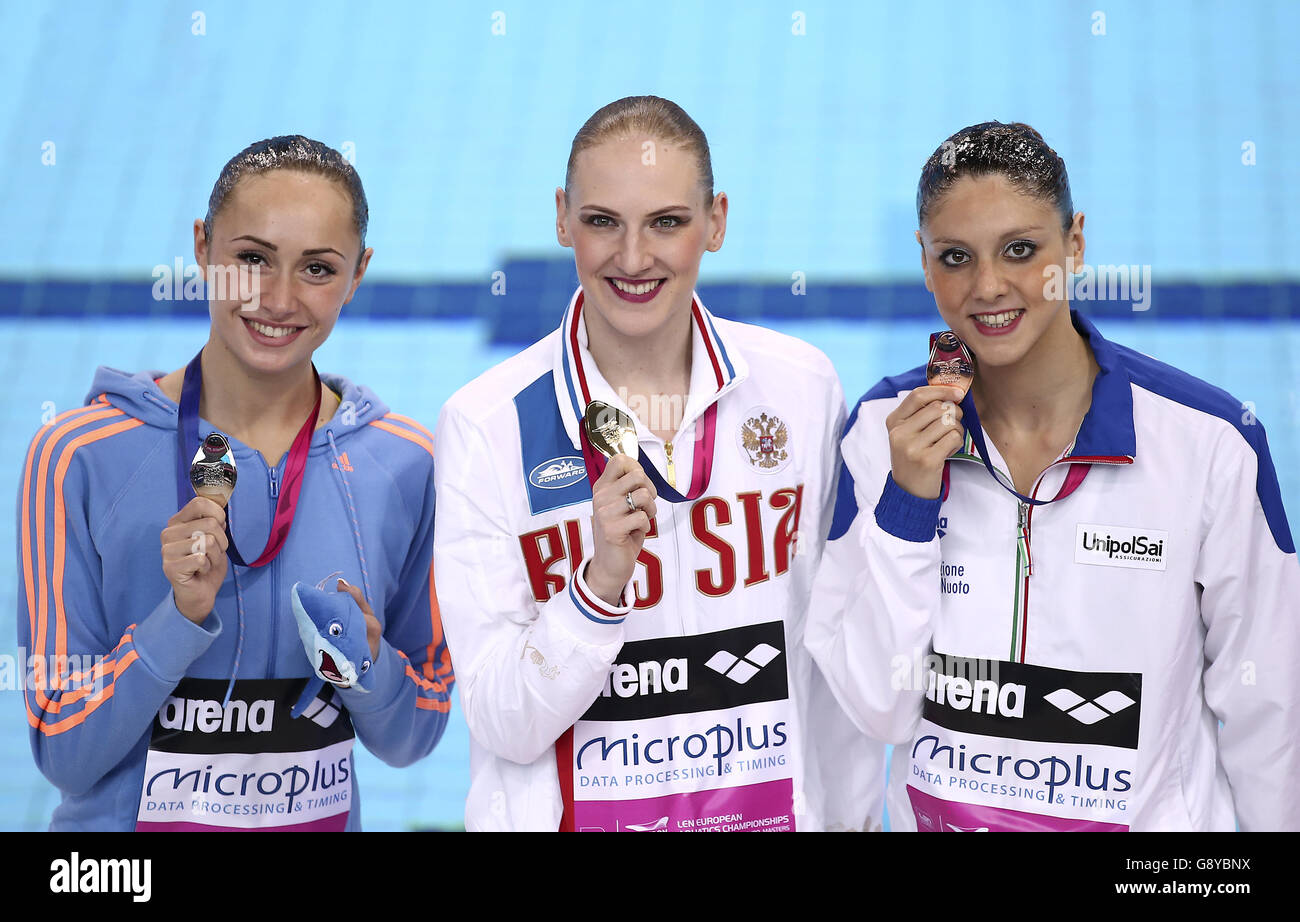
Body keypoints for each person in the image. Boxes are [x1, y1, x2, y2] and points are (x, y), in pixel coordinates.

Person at [806, 121, 1300, 832]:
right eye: (955, 256)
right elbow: (878, 706)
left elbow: (1271, 714)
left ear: (1074, 244)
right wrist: (908, 505)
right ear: (923, 260)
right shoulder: (879, 433)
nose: (988, 287)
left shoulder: (1210, 445)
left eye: (1020, 250)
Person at [433, 96, 884, 832]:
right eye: (602, 221)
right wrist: (598, 585)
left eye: (667, 222)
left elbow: (830, 668)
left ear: (716, 222)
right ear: (561, 218)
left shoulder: (801, 388)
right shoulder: (486, 425)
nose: (634, 258)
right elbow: (500, 720)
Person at [17, 135, 454, 830]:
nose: (278, 301)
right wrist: (177, 621)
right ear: (203, 246)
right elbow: (61, 749)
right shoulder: (79, 456)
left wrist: (367, 664)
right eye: (251, 259)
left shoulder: (403, 464)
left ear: (359, 273)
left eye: (317, 268)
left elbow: (412, 739)